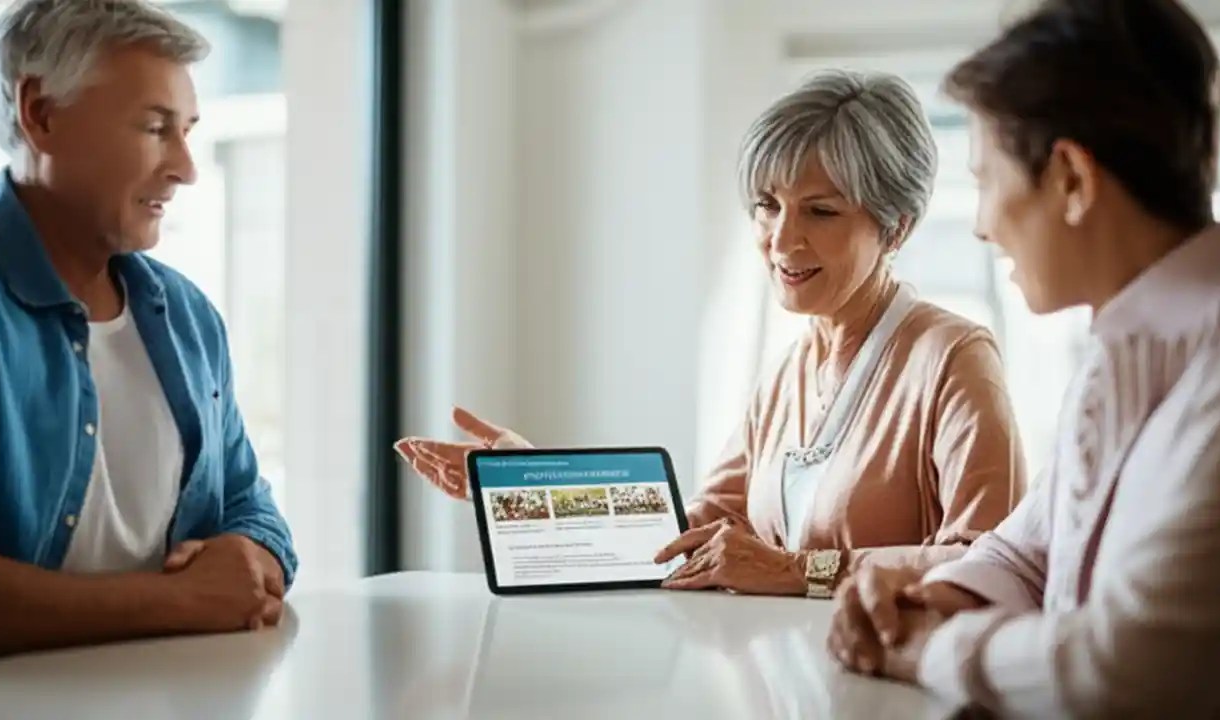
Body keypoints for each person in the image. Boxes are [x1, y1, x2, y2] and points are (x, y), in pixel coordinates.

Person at [397, 70, 1026, 598]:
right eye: (767, 204)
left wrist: (798, 572)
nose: (781, 239)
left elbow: (991, 564)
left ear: (898, 228)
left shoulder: (954, 360)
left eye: (822, 211)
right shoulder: (789, 374)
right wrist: (542, 487)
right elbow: (689, 533)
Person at [826, 1, 1220, 716]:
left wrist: (926, 647)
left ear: (1071, 179)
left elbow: (1134, 669)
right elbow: (1026, 553)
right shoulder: (1122, 342)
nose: (980, 225)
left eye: (984, 180)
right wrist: (927, 596)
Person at [0, 0, 296, 662]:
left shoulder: (188, 315)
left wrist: (249, 557)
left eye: (187, 129)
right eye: (155, 128)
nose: (186, 167)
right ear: (40, 114)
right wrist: (183, 601)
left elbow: (252, 511)